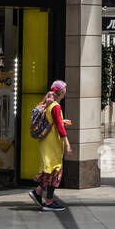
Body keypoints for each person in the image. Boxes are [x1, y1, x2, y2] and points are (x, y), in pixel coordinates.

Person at [30, 81, 71, 211]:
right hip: (52, 143)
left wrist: (61, 121)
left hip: (46, 142)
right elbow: (59, 127)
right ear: (61, 92)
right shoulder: (55, 106)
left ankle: (38, 193)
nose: (66, 91)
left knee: (50, 170)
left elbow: (54, 122)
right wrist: (68, 145)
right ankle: (48, 202)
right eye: (65, 89)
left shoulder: (48, 104)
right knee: (55, 170)